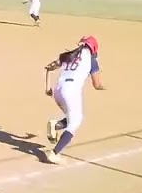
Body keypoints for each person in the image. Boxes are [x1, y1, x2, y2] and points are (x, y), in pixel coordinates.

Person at [42, 36, 106, 164]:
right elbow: (97, 84)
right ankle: (54, 153)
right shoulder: (91, 60)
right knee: (76, 121)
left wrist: (48, 88)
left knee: (72, 116)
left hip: (58, 90)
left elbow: (49, 67)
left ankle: (56, 125)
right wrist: (105, 88)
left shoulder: (70, 54)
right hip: (70, 91)